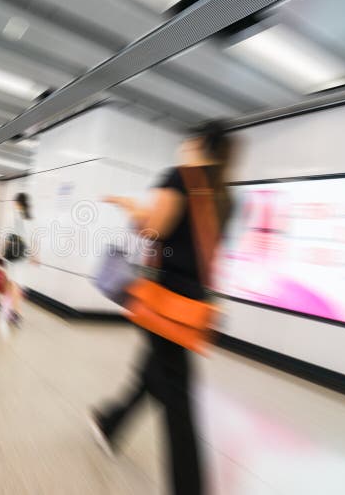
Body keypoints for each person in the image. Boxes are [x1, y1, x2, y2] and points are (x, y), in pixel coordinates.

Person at [88, 122, 234, 495]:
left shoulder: (181, 177)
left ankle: (188, 487)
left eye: (189, 141)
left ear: (198, 144)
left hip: (165, 302)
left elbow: (154, 230)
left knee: (176, 398)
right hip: (192, 302)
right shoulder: (225, 195)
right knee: (155, 373)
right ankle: (110, 422)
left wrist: (130, 207)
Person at [3, 193, 34, 327]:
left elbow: (10, 236)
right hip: (23, 254)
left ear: (18, 203)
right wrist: (33, 255)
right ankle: (10, 307)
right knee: (14, 282)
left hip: (13, 254)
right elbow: (32, 239)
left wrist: (3, 249)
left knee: (14, 282)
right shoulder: (29, 217)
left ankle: (17, 312)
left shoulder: (16, 215)